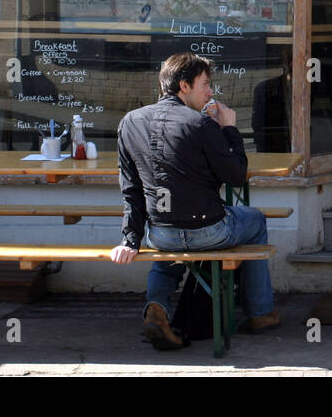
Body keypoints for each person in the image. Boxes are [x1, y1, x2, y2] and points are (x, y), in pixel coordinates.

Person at [110, 52, 280, 350]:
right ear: (184, 86)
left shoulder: (129, 122)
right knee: (255, 219)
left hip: (160, 233)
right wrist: (228, 128)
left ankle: (157, 308)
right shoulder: (201, 124)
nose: (211, 91)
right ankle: (260, 313)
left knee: (170, 251)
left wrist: (130, 239)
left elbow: (131, 190)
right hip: (209, 231)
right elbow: (237, 176)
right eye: (205, 84)